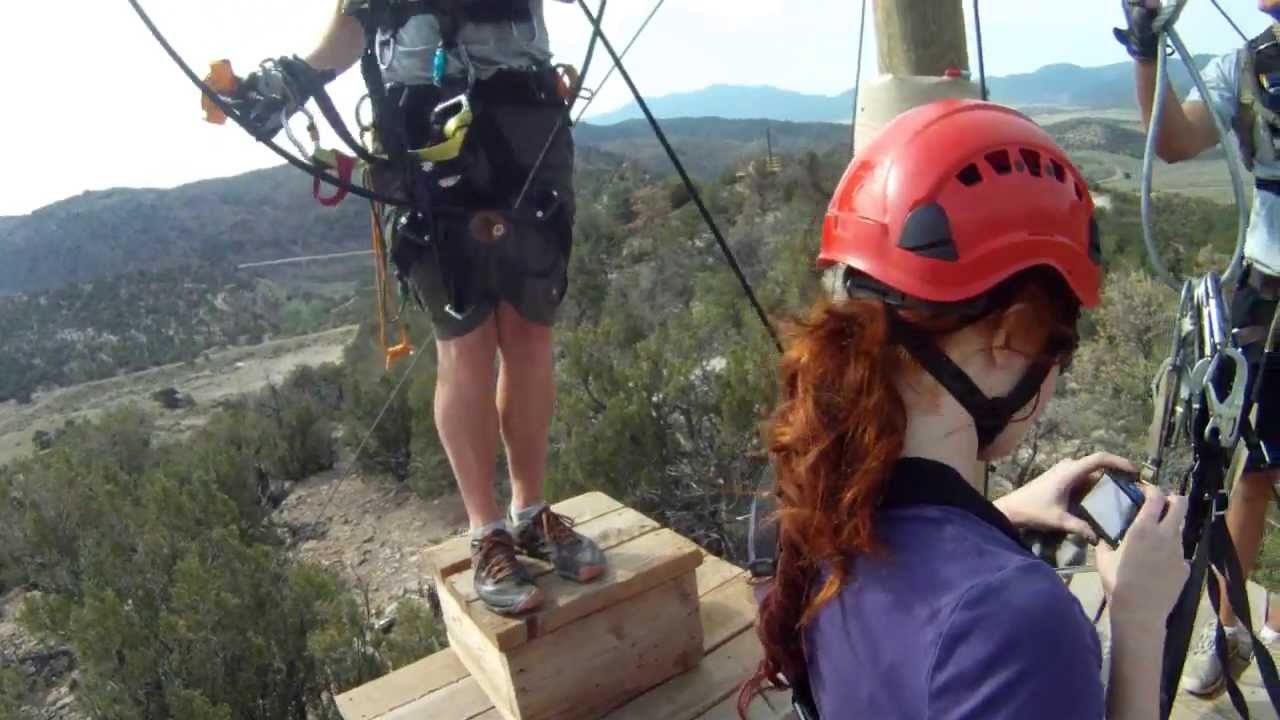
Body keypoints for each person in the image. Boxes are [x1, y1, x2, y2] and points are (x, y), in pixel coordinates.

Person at [739, 99, 1190, 719]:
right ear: (1011, 338)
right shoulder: (1014, 624)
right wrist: (1139, 622)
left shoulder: (802, 508)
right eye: (1062, 345)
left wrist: (991, 519)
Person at [221, 0, 605, 616]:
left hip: (527, 123)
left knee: (530, 332)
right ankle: (488, 534)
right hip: (427, 136)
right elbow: (356, 22)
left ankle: (530, 513)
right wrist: (286, 85)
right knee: (466, 341)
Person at [1116, 0, 1280, 695]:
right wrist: (1147, 49)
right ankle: (1233, 632)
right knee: (1246, 470)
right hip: (1265, 286)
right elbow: (1174, 140)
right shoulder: (1247, 65)